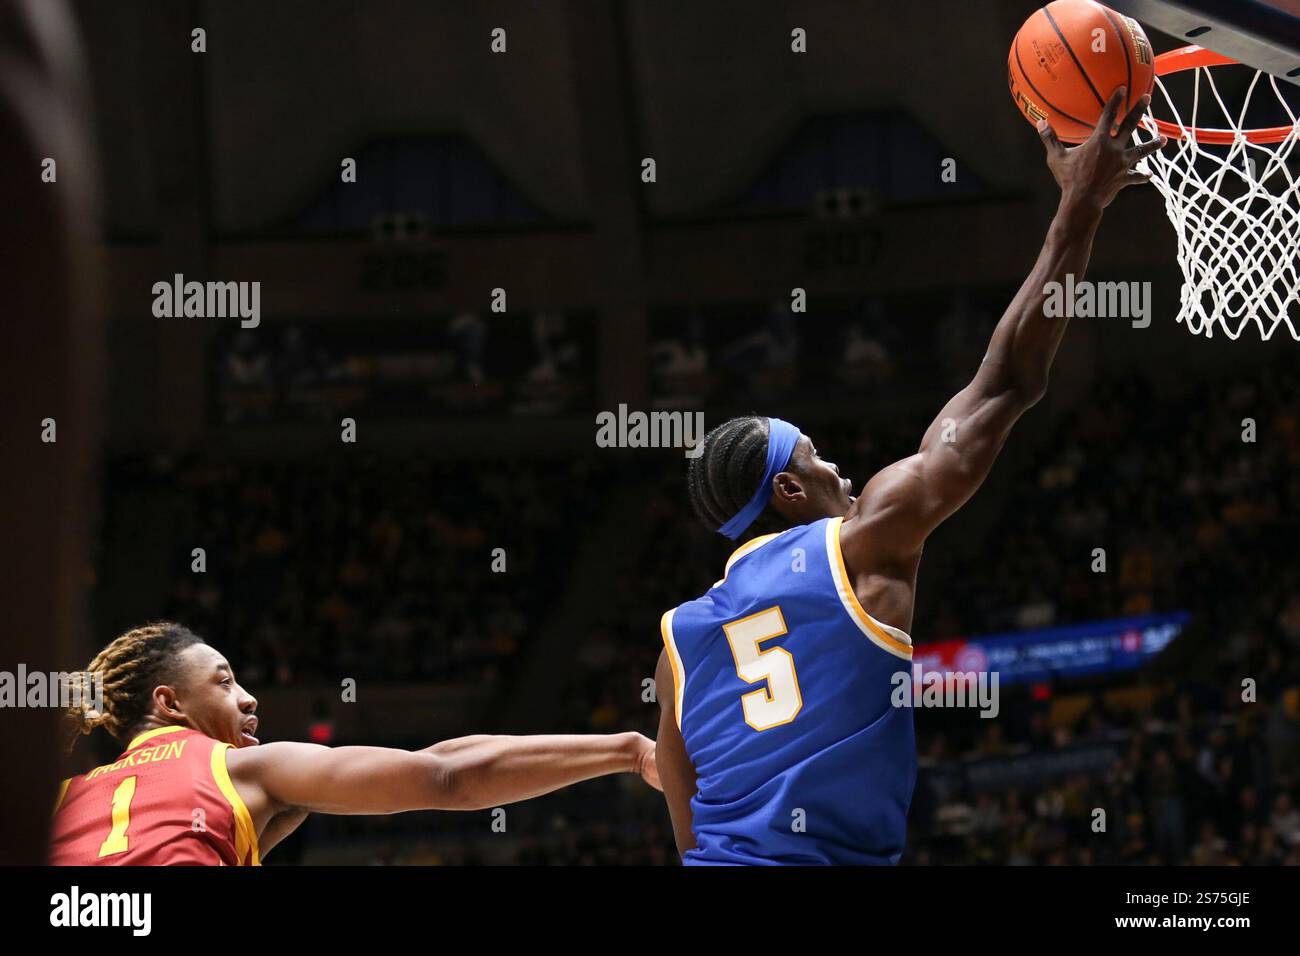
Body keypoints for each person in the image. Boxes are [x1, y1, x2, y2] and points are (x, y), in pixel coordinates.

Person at [652, 90, 1165, 864]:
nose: (839, 469)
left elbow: (686, 826)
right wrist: (1079, 207)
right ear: (788, 493)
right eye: (815, 457)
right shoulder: (862, 545)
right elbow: (1005, 385)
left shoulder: (676, 644)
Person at [50, 622, 659, 865]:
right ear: (169, 703)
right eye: (226, 681)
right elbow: (446, 774)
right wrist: (627, 749)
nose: (249, 699)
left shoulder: (57, 801)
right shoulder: (242, 769)